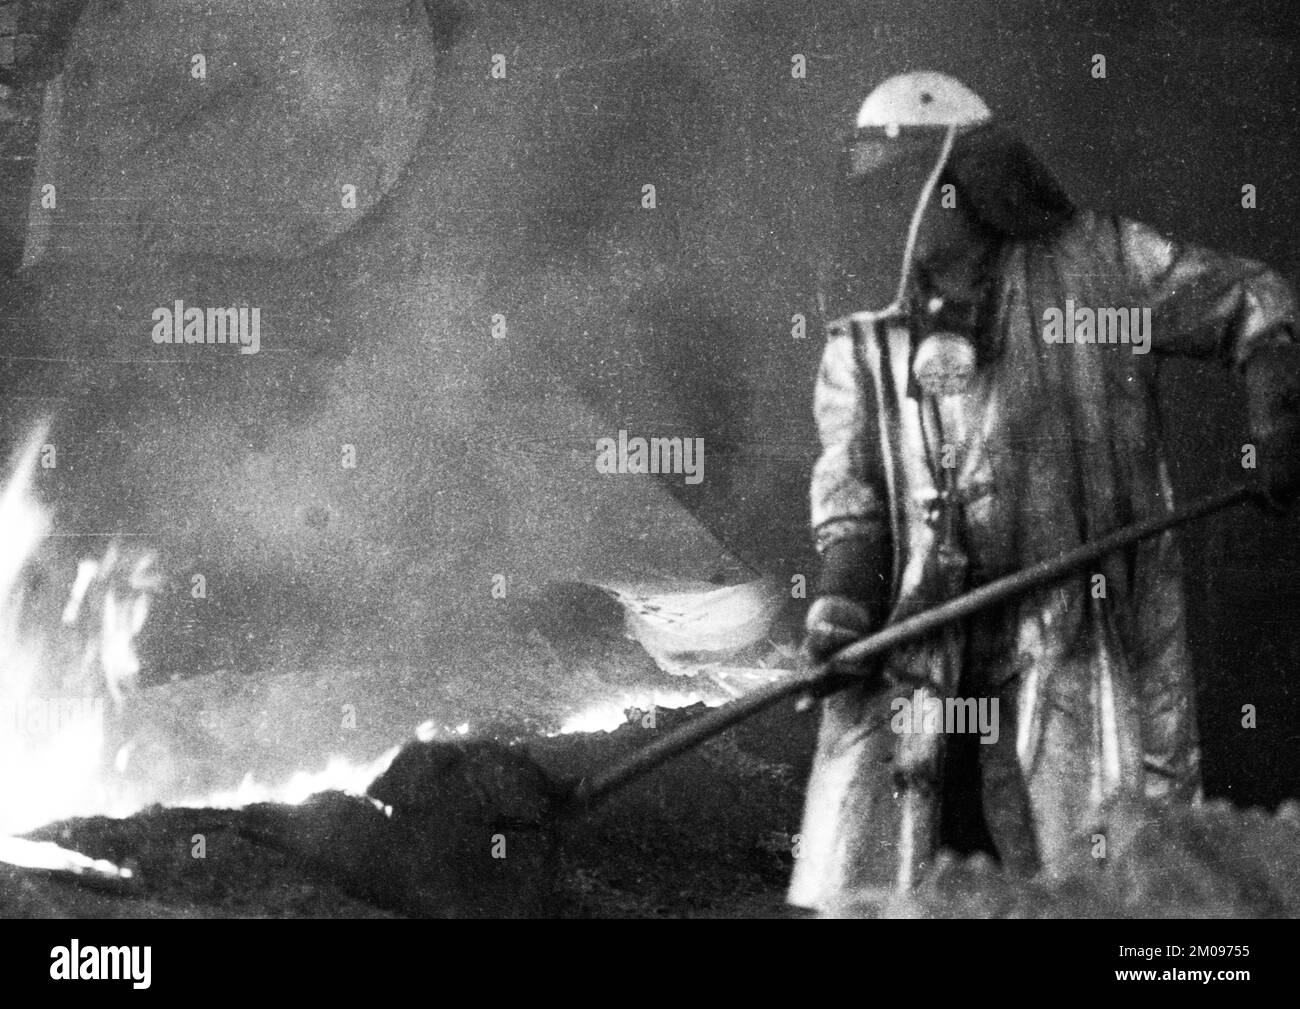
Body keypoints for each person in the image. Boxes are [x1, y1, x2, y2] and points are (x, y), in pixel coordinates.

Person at [790, 71, 1300, 911]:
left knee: (1091, 879)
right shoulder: (867, 344)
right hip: (926, 657)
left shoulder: (1098, 272)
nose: (880, 214)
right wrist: (841, 609)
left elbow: (1249, 298)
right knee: (895, 885)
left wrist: (1279, 417)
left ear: (958, 183)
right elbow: (857, 512)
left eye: (894, 189)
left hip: (1071, 634)